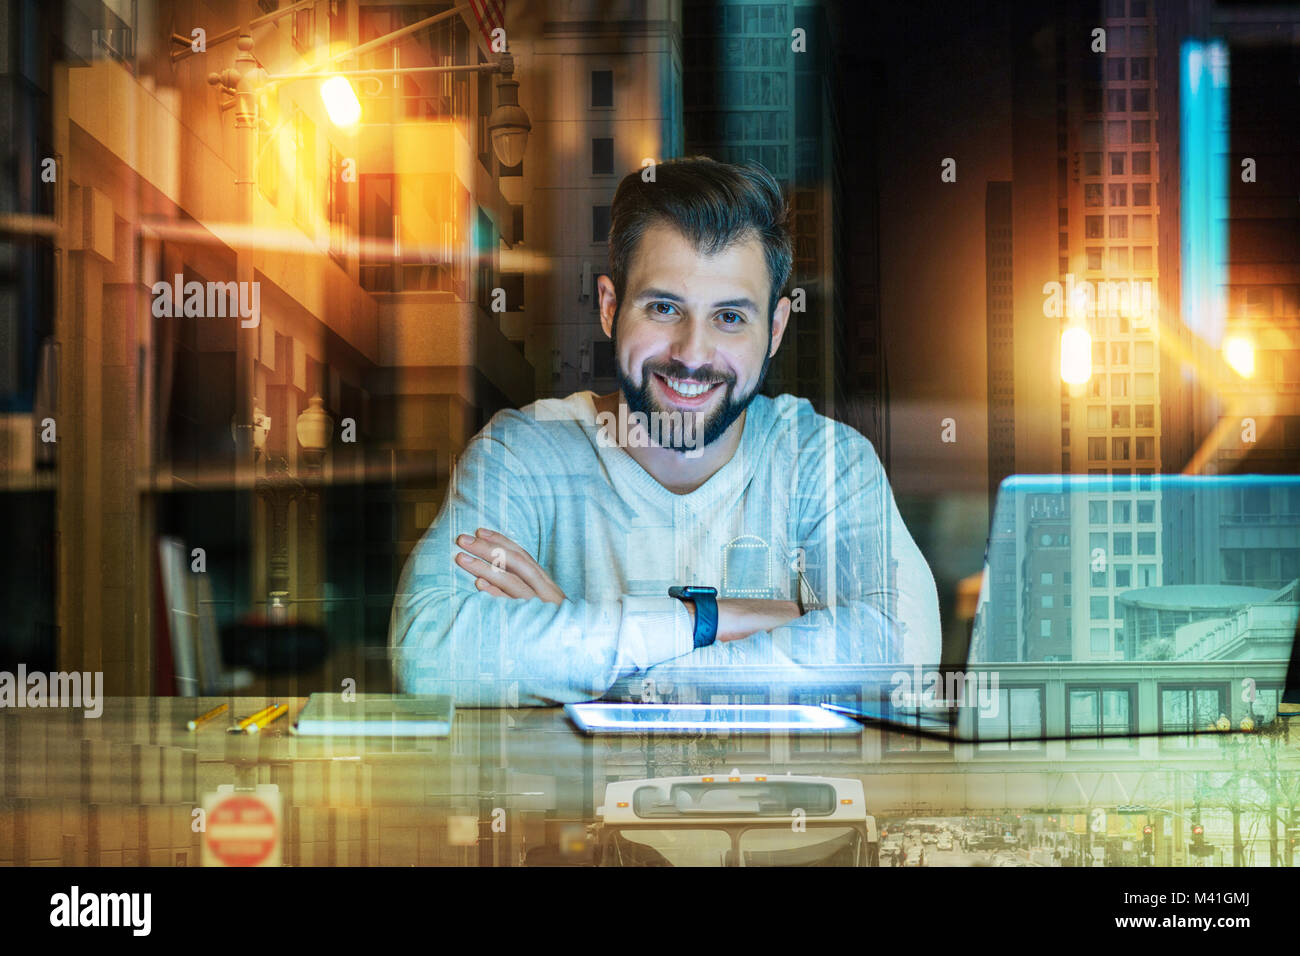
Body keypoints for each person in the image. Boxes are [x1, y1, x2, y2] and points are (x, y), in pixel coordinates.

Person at [390, 156, 941, 706]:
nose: (692, 354)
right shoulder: (523, 453)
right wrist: (707, 622)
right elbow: (430, 654)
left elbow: (904, 652)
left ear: (774, 331)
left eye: (730, 317)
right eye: (663, 307)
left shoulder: (824, 460)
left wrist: (592, 661)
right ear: (610, 308)